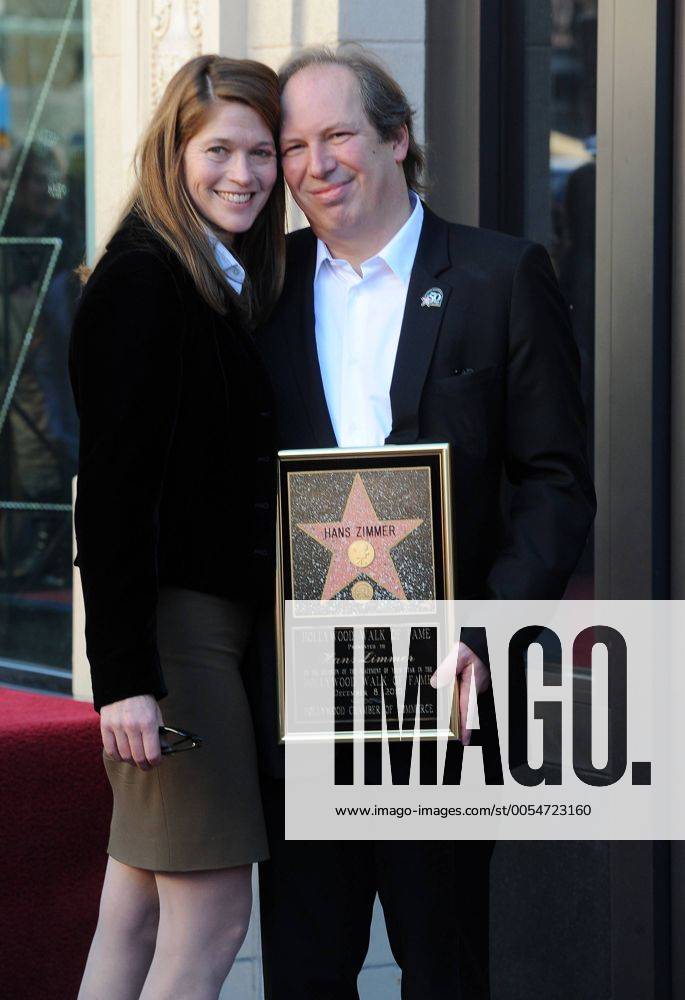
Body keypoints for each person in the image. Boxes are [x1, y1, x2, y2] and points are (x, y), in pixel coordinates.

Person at [248, 46, 596, 999]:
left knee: (443, 964)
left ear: (398, 139)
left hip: (447, 687)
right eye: (292, 146)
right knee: (304, 967)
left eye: (338, 136)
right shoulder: (257, 292)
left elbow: (556, 482)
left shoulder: (500, 275)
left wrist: (486, 631)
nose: (314, 164)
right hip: (306, 691)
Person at [70, 55, 284, 1000]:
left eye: (262, 151)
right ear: (174, 152)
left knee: (137, 913)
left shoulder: (213, 278)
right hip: (174, 646)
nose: (244, 173)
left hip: (198, 640)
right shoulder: (144, 281)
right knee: (210, 925)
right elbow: (111, 494)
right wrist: (123, 681)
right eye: (219, 150)